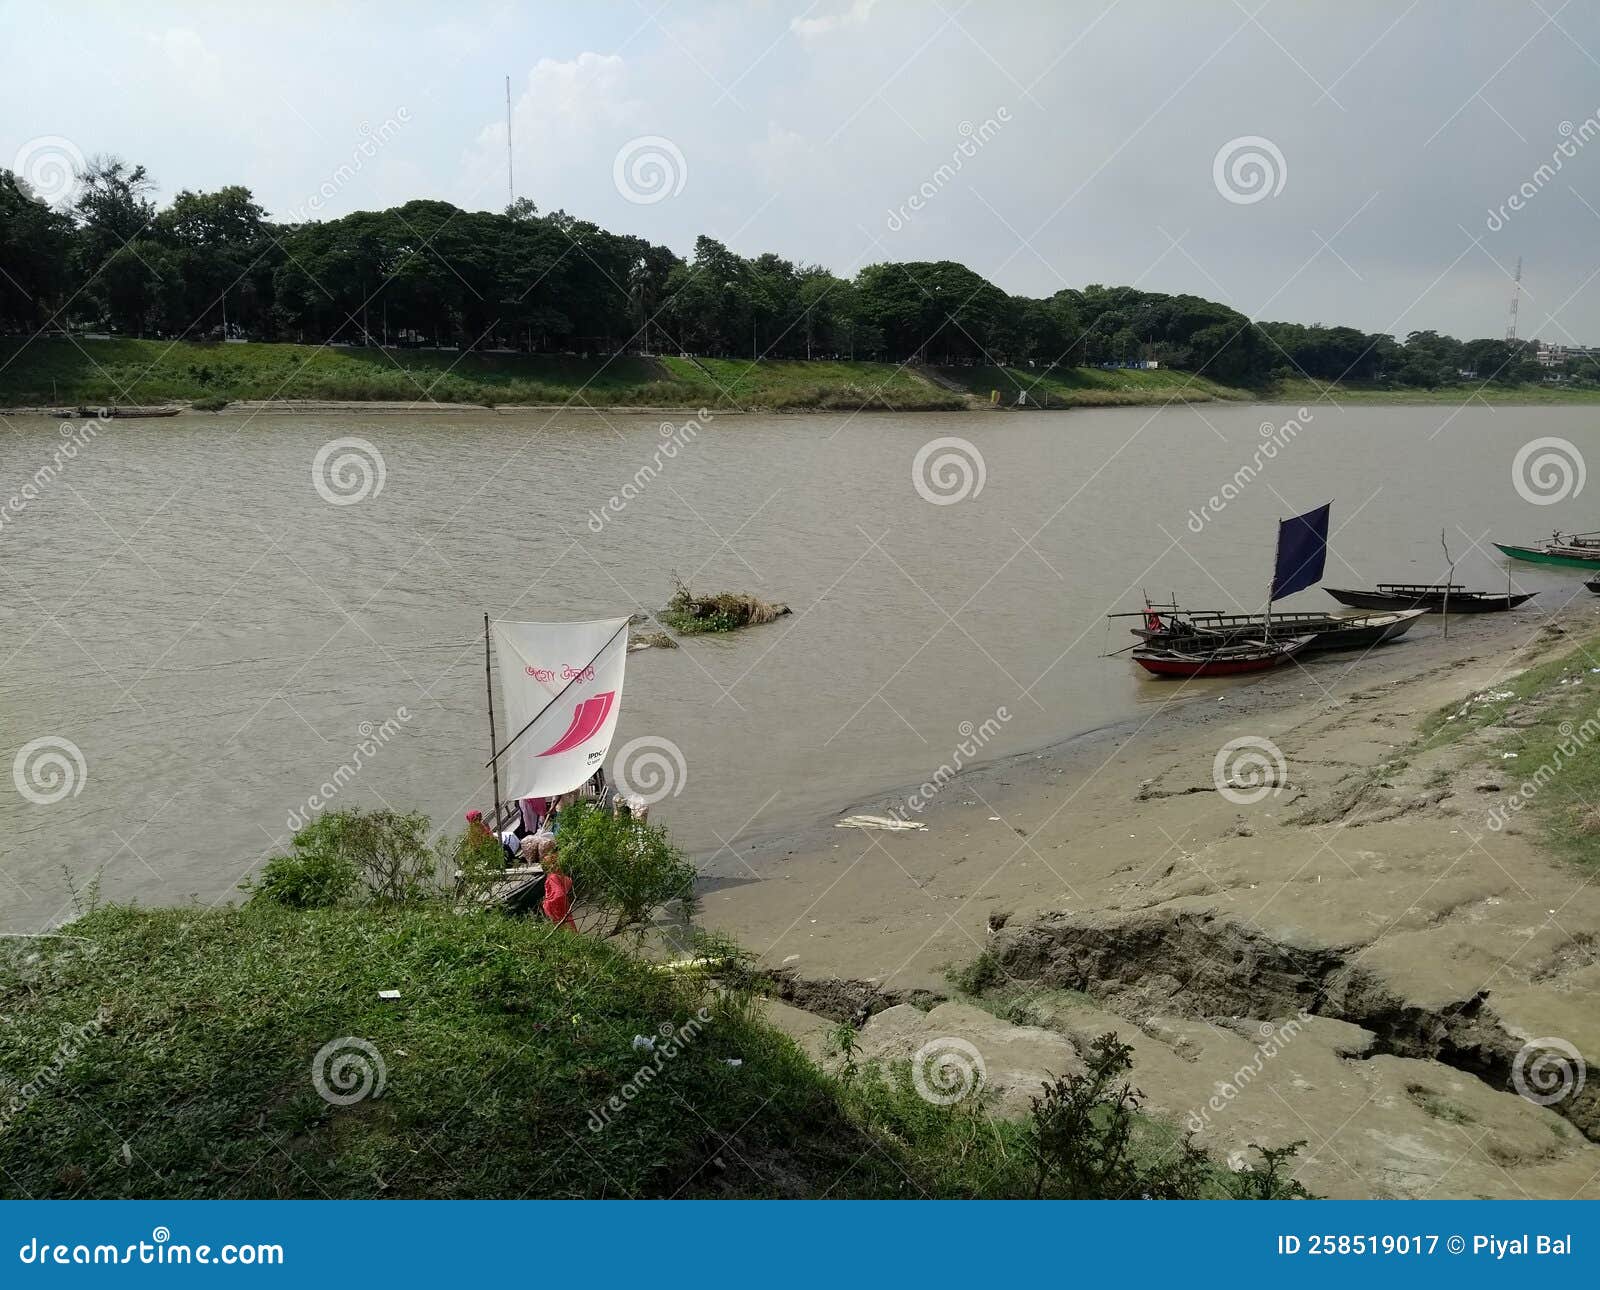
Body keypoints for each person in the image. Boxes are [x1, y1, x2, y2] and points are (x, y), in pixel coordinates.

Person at [541, 849, 575, 931]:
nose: (555, 865)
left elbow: (559, 895)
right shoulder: (559, 876)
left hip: (557, 908)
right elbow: (568, 883)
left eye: (555, 863)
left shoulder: (552, 877)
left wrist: (547, 903)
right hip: (563, 906)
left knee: (563, 928)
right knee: (569, 926)